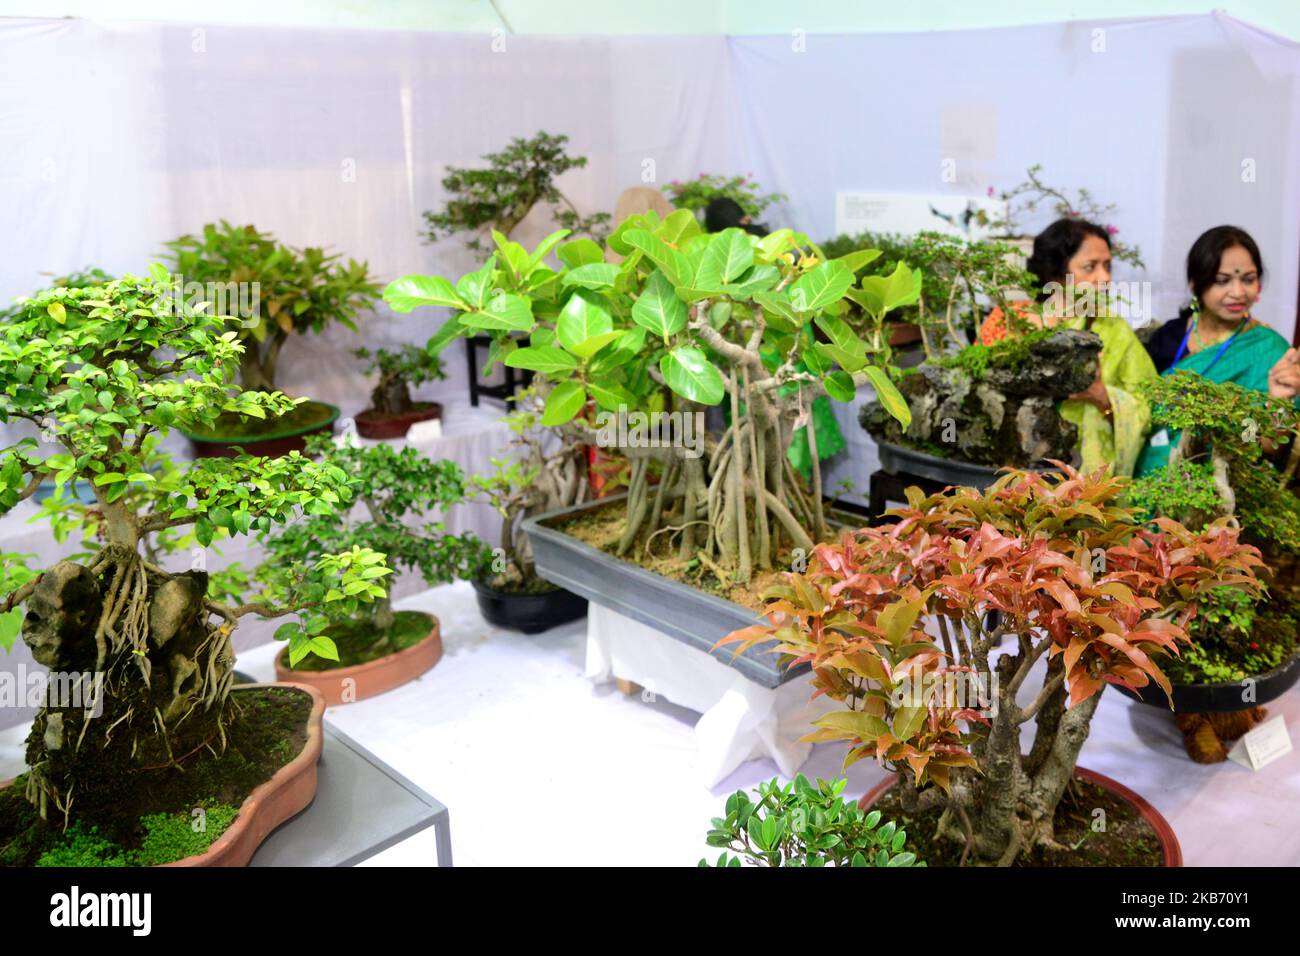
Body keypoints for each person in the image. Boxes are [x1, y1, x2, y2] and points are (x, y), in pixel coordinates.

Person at [979, 218, 1158, 477]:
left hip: (1083, 483)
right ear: (1056, 272)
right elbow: (974, 391)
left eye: (1108, 266)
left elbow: (1149, 407)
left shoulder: (1112, 329)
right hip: (1004, 469)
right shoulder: (1010, 321)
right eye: (1090, 267)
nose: (1104, 277)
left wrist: (1103, 397)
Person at [1135, 225, 1300, 476]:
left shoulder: (1270, 351)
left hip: (1224, 489)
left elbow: (1266, 447)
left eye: (1248, 279)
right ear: (1195, 283)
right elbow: (1135, 410)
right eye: (1222, 281)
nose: (1237, 292)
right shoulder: (1168, 337)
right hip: (1144, 481)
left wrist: (1279, 402)